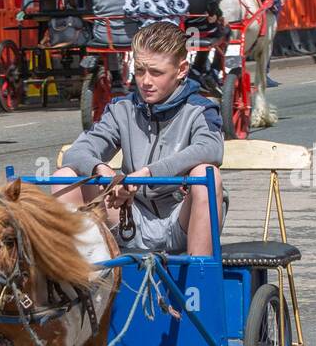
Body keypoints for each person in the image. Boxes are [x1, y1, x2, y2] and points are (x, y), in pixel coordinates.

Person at [53, 21, 224, 256]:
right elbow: (76, 152)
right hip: (128, 217)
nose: (145, 81)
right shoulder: (121, 109)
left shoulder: (200, 109)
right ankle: (81, 279)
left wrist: (147, 174)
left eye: (156, 73)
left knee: (207, 174)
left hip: (180, 220)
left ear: (181, 70)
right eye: (140, 70)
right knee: (64, 177)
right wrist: (104, 172)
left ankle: (200, 280)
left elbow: (211, 149)